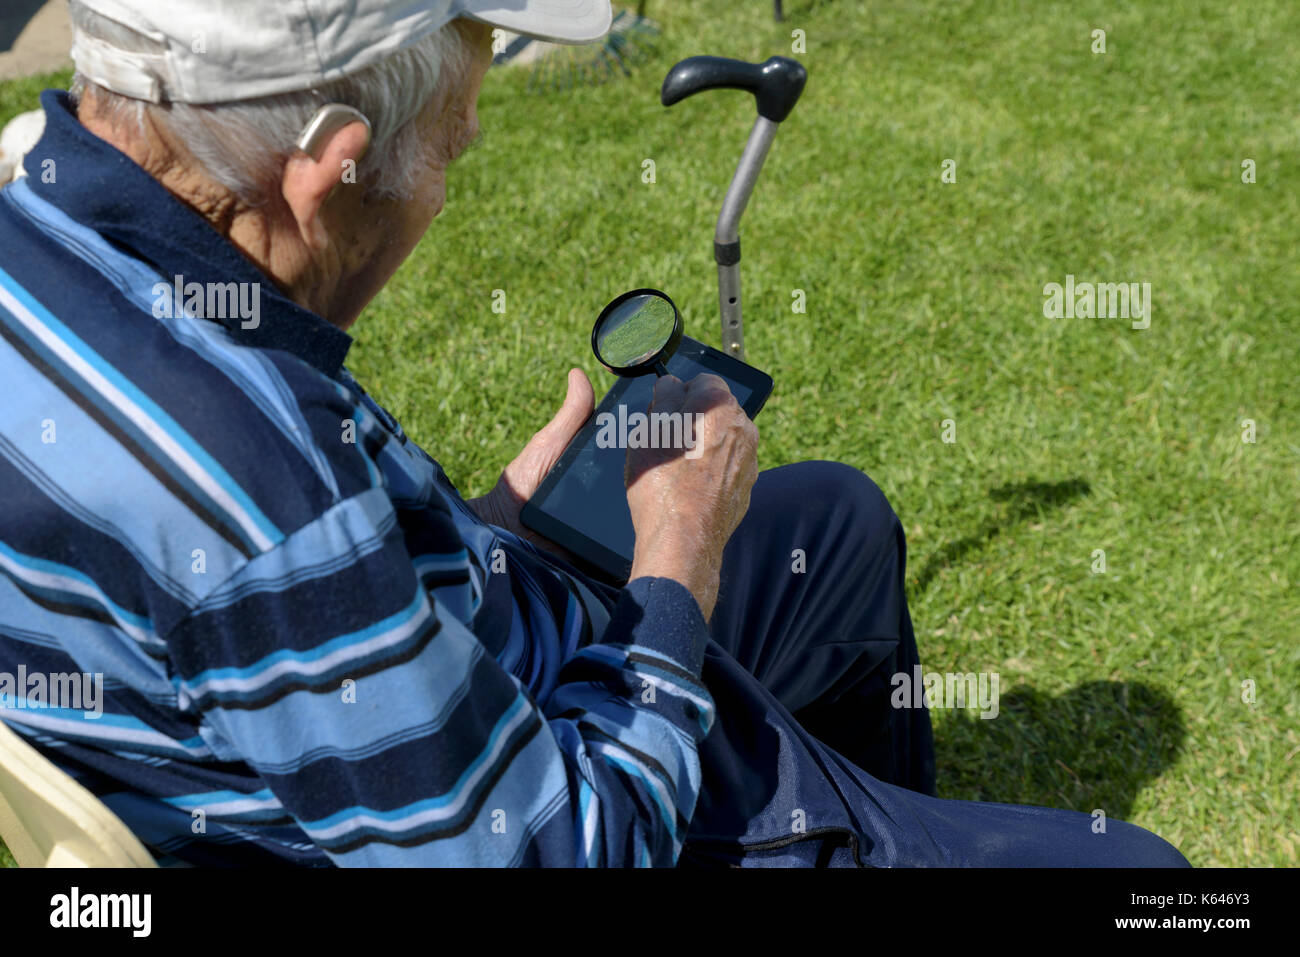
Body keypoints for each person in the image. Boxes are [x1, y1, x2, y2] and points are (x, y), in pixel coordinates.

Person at [0, 0, 1187, 867]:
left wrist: (488, 526)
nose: (444, 188)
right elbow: (563, 854)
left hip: (417, 724)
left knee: (831, 526)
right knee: (1146, 884)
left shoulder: (39, 246)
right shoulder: (262, 486)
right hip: (565, 801)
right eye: (449, 151)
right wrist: (675, 556)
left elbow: (271, 620)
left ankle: (861, 821)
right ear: (333, 173)